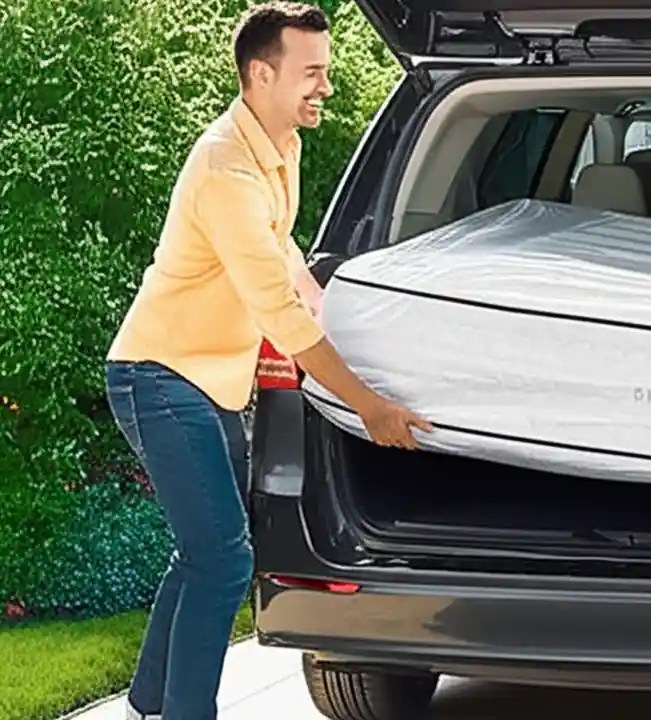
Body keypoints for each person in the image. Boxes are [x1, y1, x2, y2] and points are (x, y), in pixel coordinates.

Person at [103, 4, 431, 719]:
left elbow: (287, 262)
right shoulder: (227, 167)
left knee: (204, 554)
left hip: (204, 381)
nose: (326, 87)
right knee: (222, 562)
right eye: (312, 73)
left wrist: (352, 320)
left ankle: (147, 704)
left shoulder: (277, 146)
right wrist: (367, 403)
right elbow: (275, 314)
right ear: (262, 73)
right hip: (159, 376)